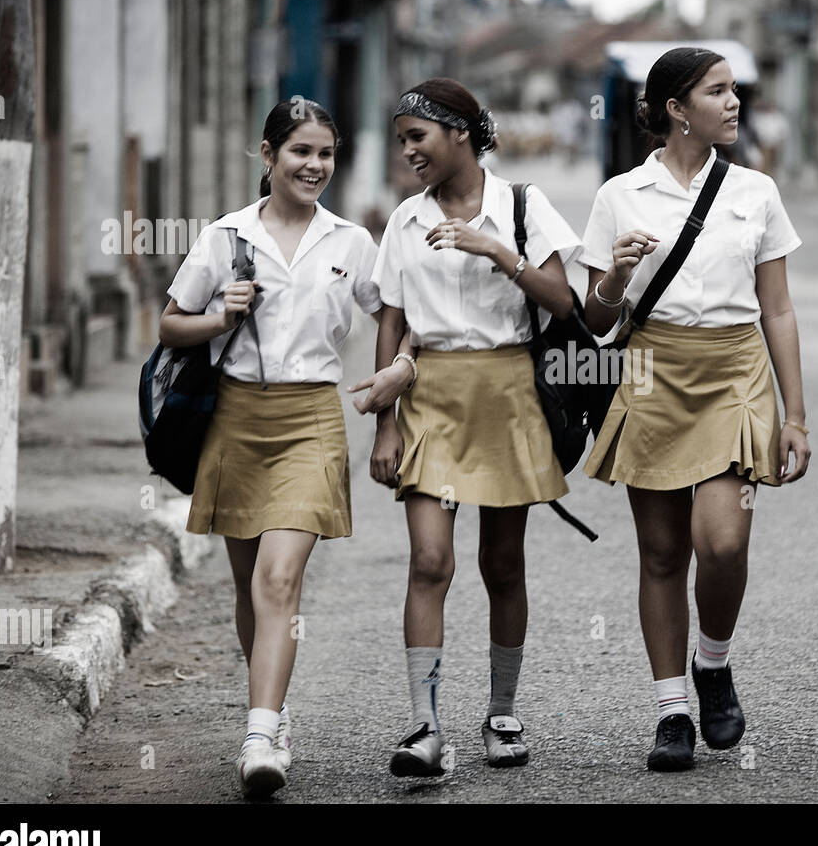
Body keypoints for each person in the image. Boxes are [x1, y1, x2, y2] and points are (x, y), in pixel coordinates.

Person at [159, 98, 408, 797]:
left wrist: (392, 391)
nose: (315, 166)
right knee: (249, 588)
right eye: (300, 151)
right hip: (236, 420)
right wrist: (220, 315)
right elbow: (170, 325)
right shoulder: (226, 237)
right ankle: (273, 709)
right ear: (267, 155)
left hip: (311, 422)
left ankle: (260, 736)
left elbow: (392, 312)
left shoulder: (351, 241)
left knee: (278, 581)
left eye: (325, 153)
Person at [579, 47, 811, 771]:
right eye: (717, 92)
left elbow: (777, 308)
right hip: (653, 371)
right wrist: (616, 269)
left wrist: (795, 415)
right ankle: (672, 709)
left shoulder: (755, 191)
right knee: (660, 553)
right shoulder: (621, 194)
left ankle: (713, 661)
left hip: (736, 371)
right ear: (677, 110)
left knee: (723, 543)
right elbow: (596, 321)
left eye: (734, 89)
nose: (735, 101)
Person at [354, 78, 585, 777]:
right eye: (400, 140)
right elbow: (391, 319)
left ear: (460, 133)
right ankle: (424, 726)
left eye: (417, 137)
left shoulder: (523, 204)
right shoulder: (403, 221)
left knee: (503, 563)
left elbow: (563, 300)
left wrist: (494, 250)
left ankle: (503, 713)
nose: (407, 152)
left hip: (508, 390)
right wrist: (384, 426)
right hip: (429, 394)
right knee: (430, 560)